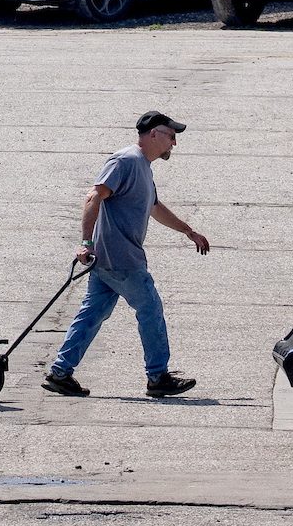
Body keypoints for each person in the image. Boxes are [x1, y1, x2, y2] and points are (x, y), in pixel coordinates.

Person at [44, 111, 210, 400]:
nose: (174, 143)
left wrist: (188, 231)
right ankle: (158, 376)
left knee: (93, 314)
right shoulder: (126, 161)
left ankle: (60, 372)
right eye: (171, 136)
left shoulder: (143, 167)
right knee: (150, 309)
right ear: (153, 134)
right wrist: (85, 242)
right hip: (122, 260)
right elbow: (93, 196)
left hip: (109, 261)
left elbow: (155, 208)